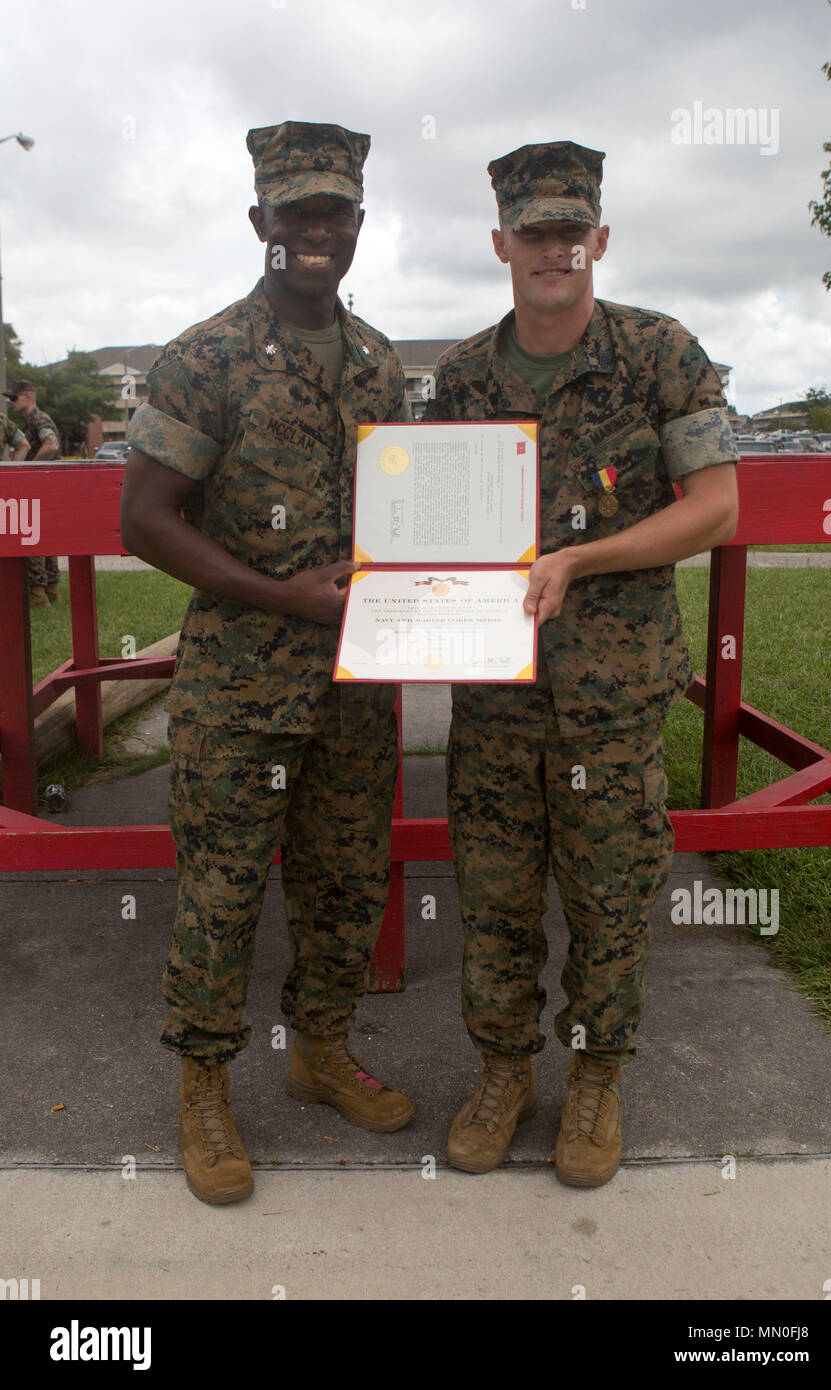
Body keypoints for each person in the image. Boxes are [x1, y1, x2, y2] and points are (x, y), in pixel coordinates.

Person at [424, 140, 739, 1187]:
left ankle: (596, 1076)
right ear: (499, 244)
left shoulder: (660, 353)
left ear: (598, 239)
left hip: (611, 694)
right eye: (532, 232)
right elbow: (428, 523)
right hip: (497, 687)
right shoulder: (465, 376)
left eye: (570, 231)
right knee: (498, 897)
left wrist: (581, 557)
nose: (551, 250)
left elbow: (714, 507)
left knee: (609, 895)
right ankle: (502, 1070)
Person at [121, 120, 413, 1207]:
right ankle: (204, 1084)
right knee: (222, 888)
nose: (317, 230)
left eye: (335, 211)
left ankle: (320, 1049)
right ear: (261, 224)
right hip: (243, 681)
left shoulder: (381, 361)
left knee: (344, 880)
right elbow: (145, 519)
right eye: (297, 212)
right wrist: (282, 594)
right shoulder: (207, 356)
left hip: (357, 679)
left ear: (359, 224)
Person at [3, 379, 62, 604]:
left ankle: (39, 593)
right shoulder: (32, 421)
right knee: (45, 538)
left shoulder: (39, 419)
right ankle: (51, 591)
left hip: (41, 485)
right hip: (45, 485)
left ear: (27, 396)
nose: (10, 403)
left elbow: (52, 445)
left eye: (13, 398)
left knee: (33, 537)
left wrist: (29, 469)